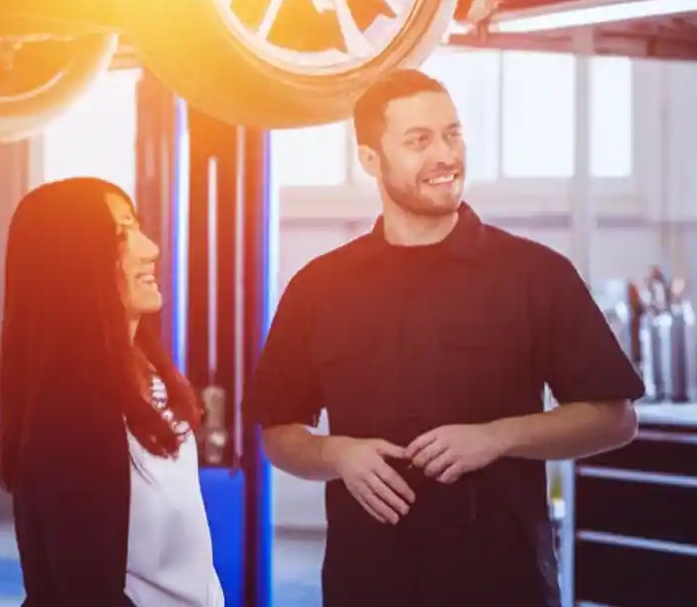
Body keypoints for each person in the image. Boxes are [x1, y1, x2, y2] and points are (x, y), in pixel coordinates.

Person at [245, 69, 646, 606]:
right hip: (366, 585)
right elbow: (280, 432)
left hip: (502, 585)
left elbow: (613, 417)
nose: (445, 154)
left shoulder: (534, 274)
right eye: (419, 140)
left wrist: (497, 437)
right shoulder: (318, 287)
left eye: (452, 134)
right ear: (370, 159)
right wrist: (336, 454)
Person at [0, 176, 225, 607]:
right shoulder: (70, 414)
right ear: (74, 265)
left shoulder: (151, 380)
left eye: (136, 226)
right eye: (122, 234)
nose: (150, 249)